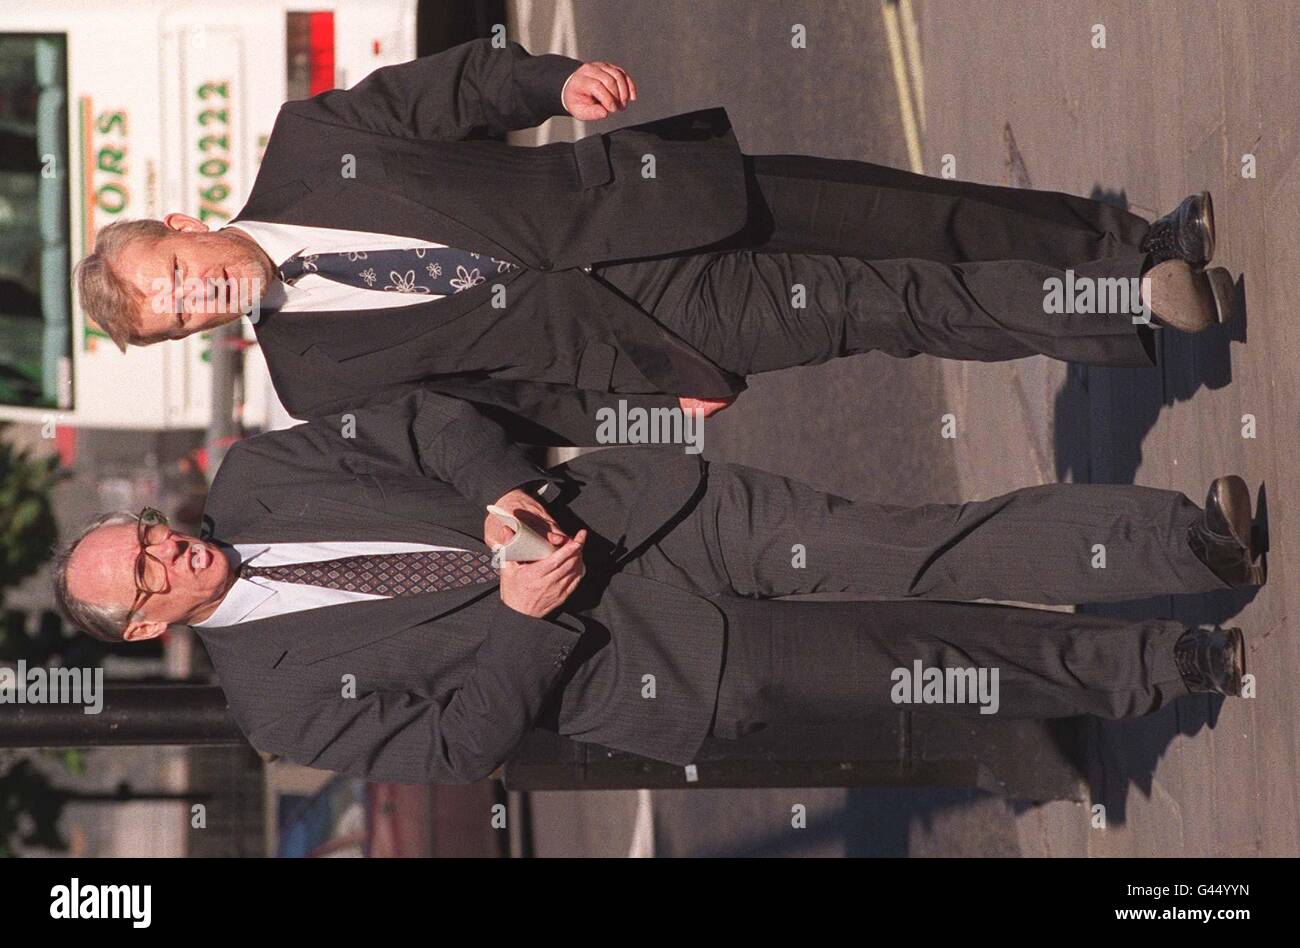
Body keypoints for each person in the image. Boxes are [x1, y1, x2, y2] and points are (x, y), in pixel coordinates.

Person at [53, 391, 1264, 784]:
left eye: (148, 533)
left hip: (658, 523)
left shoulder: (263, 471)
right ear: (148, 622)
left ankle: (1185, 551)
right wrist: (524, 627)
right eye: (146, 574)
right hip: (667, 667)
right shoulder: (278, 710)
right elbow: (462, 746)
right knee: (937, 662)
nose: (169, 550)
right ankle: (1168, 666)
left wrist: (495, 492)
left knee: (914, 544)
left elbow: (427, 421)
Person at [73, 39, 1232, 445]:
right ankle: (1125, 301)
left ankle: (1123, 242)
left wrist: (552, 80)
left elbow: (457, 86)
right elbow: (498, 406)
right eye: (179, 314)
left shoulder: (311, 137)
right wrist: (641, 411)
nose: (200, 296)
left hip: (647, 196)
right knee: (886, 305)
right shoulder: (312, 380)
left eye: (176, 276)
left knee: (905, 217)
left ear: (183, 226)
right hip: (650, 335)